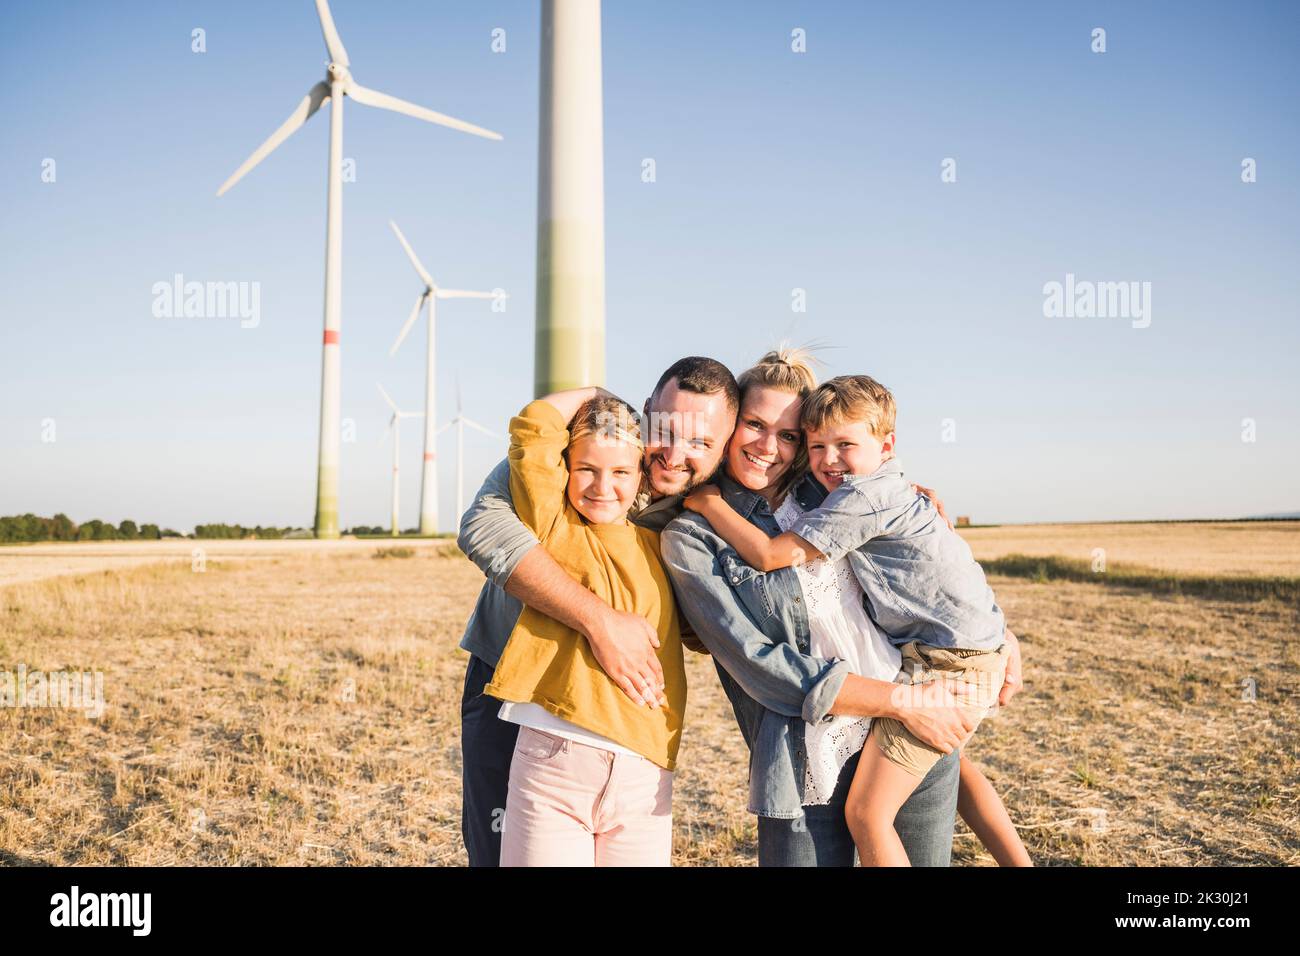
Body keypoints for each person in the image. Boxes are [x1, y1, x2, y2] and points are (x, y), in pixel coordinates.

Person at [661, 348, 1025, 866]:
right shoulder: (694, 537)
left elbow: (931, 574)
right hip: (810, 758)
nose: (770, 447)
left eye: (789, 435)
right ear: (728, 424)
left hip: (914, 717)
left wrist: (999, 636)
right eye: (754, 425)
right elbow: (761, 667)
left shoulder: (834, 492)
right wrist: (901, 703)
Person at [456, 357, 739, 865]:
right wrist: (597, 619)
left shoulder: (709, 506)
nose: (676, 455)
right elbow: (483, 528)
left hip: (626, 735)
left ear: (725, 446)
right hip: (515, 684)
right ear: (645, 412)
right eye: (665, 430)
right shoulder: (591, 436)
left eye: (701, 443)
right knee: (497, 850)